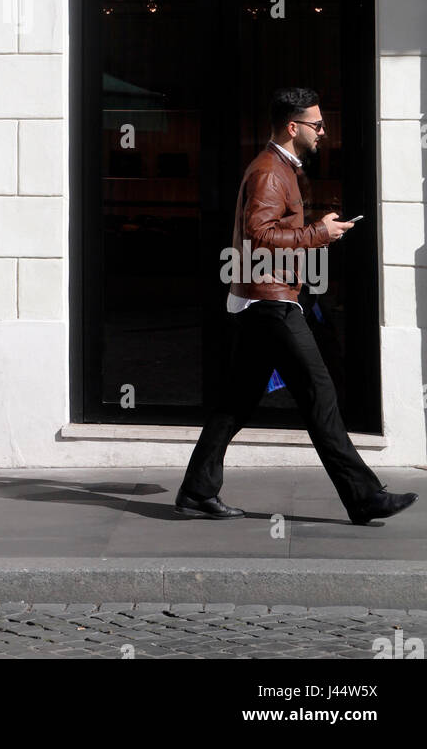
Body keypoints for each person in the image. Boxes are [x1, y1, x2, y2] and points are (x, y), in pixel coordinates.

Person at [175, 87, 418, 526]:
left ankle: (196, 491)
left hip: (265, 300)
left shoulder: (281, 168)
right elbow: (259, 235)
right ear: (293, 127)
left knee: (237, 402)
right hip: (271, 303)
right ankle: (363, 497)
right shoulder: (270, 171)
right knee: (319, 394)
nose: (324, 131)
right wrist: (319, 234)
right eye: (317, 124)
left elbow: (270, 229)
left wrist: (315, 228)